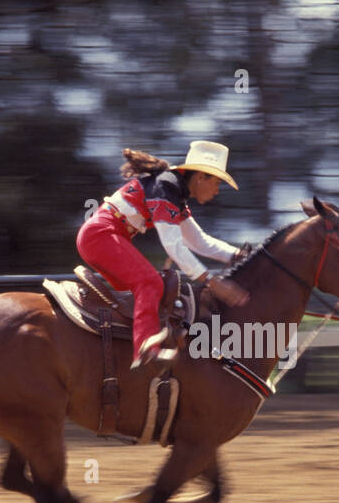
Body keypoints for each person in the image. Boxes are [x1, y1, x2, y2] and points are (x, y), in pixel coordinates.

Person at [76, 140, 249, 369]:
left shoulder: (174, 194)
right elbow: (173, 246)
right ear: (200, 177)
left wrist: (237, 255)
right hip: (101, 237)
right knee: (150, 283)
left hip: (103, 237)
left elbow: (199, 242)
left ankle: (121, 352)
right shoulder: (166, 189)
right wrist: (210, 281)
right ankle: (146, 350)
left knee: (142, 295)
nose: (217, 191)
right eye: (216, 183)